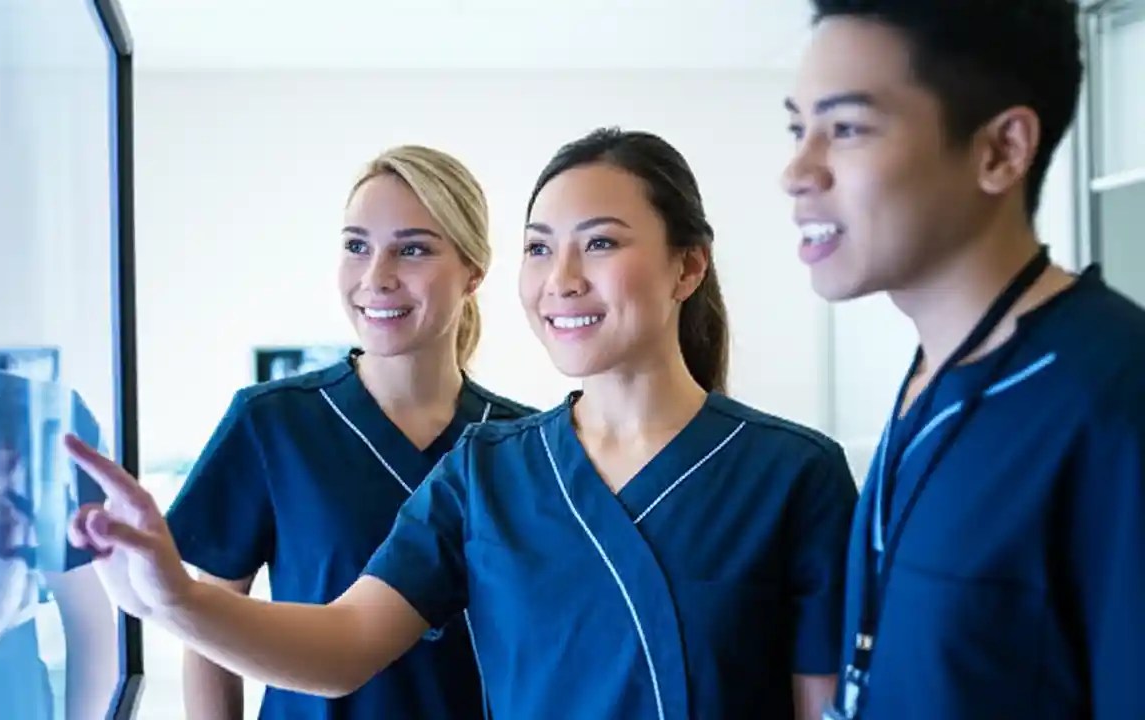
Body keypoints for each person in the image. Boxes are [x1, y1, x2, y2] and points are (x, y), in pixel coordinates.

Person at [65, 128, 859, 720]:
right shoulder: (484, 474)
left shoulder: (794, 475)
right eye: (540, 250)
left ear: (688, 266)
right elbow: (344, 645)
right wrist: (177, 603)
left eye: (602, 244)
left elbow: (824, 706)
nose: (563, 280)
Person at [781, 1, 1145, 718]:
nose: (797, 171)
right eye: (797, 129)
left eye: (846, 128)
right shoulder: (933, 381)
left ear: (1001, 151)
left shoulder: (1112, 400)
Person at [161, 144, 536, 720]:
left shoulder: (523, 445)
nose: (376, 277)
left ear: (473, 272)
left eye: (412, 250)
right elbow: (208, 629)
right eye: (357, 247)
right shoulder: (274, 423)